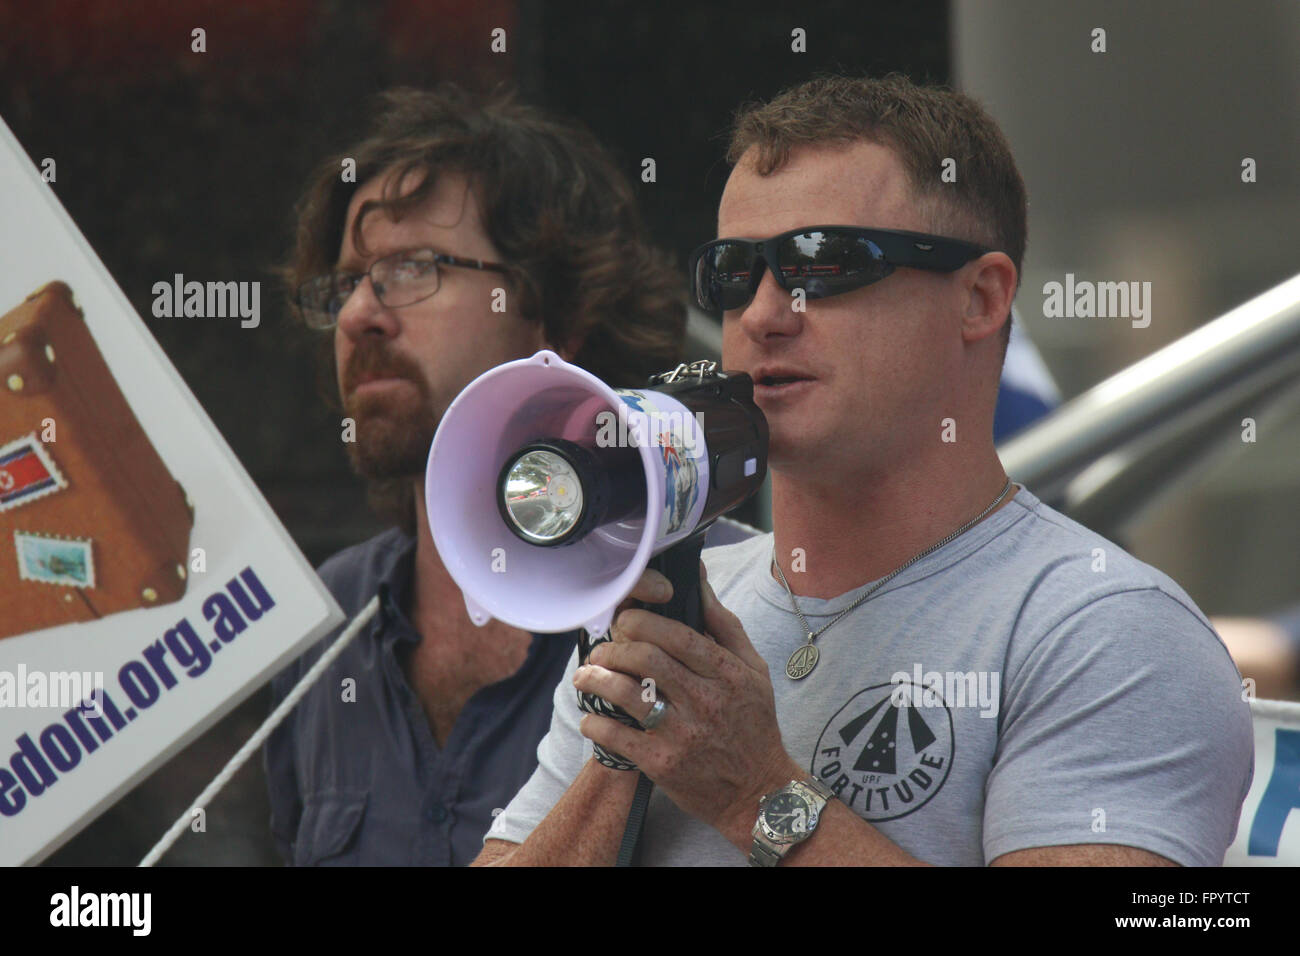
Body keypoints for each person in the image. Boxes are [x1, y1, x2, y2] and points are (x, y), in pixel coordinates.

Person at [476, 74, 1254, 867]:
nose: (763, 315)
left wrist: (755, 794)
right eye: (733, 272)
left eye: (822, 263)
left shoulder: (1109, 630)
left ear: (980, 298)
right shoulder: (674, 603)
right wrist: (626, 753)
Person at [262, 85, 685, 865]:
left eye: (412, 267)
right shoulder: (325, 622)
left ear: (556, 313)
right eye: (344, 284)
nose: (357, 315)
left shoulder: (705, 595)